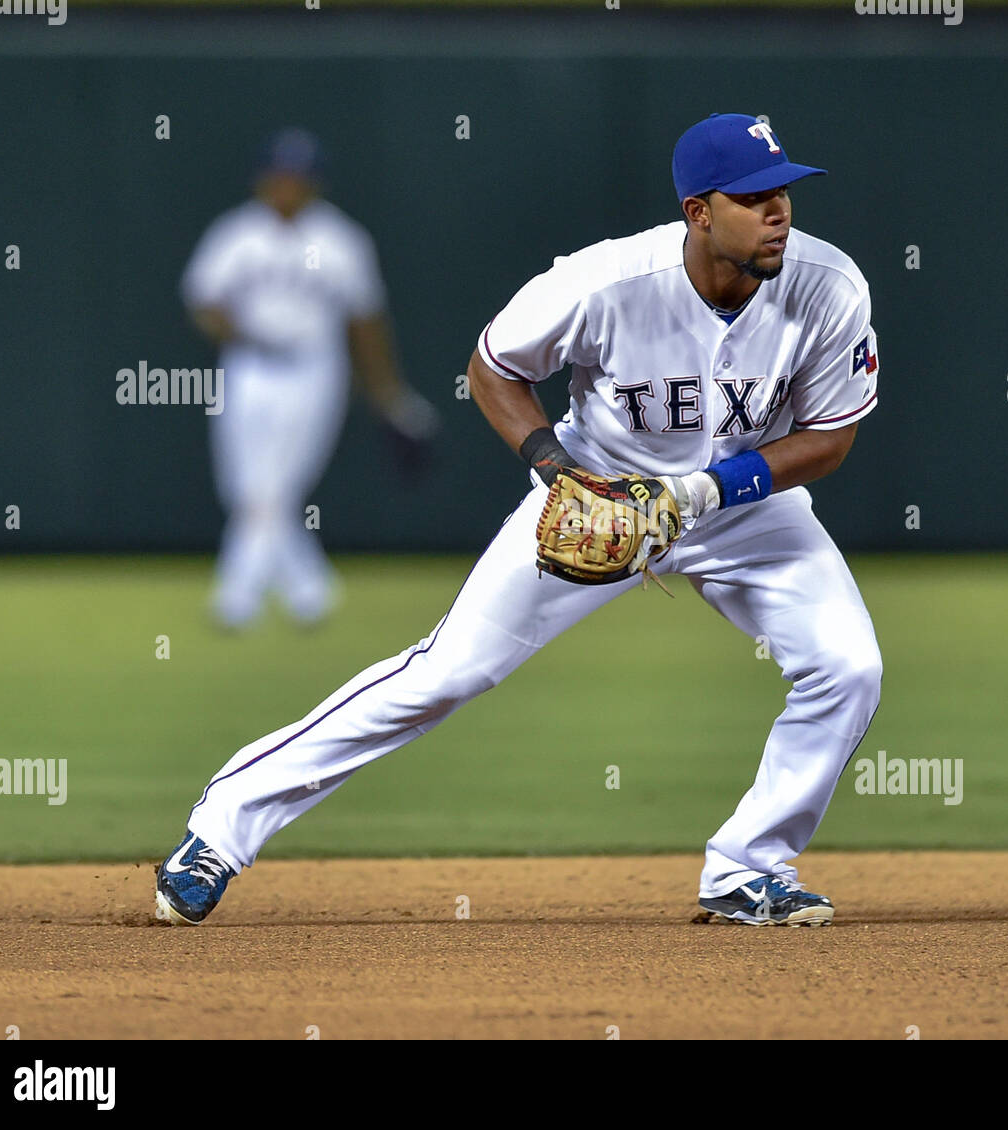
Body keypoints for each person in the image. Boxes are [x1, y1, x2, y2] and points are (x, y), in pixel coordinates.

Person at [157, 113, 882, 928]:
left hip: (748, 508)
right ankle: (219, 829)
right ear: (698, 212)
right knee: (445, 674)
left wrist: (707, 493)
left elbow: (831, 437)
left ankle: (748, 868)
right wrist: (557, 471)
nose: (778, 210)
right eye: (752, 196)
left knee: (848, 667)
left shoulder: (831, 285)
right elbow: (493, 369)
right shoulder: (602, 283)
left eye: (782, 190)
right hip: (598, 496)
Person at [181, 127, 438, 630]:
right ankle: (310, 590)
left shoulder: (340, 240)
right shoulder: (238, 234)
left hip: (313, 370)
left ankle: (236, 598)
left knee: (273, 487)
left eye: (296, 177)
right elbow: (203, 303)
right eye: (278, 176)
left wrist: (389, 396)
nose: (286, 186)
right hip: (249, 367)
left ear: (314, 183)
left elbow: (365, 324)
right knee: (242, 486)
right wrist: (245, 330)